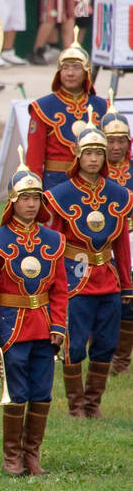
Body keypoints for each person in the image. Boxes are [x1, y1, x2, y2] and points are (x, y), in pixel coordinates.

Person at [0, 155, 68, 476]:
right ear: (12, 201)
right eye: (24, 198)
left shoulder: (54, 240)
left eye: (36, 198)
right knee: (16, 392)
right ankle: (12, 456)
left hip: (44, 327)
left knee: (42, 392)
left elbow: (59, 288)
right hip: (11, 327)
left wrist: (59, 323)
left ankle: (33, 455)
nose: (31, 205)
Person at [45, 116, 132, 418]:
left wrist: (126, 285)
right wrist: (52, 283)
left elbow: (120, 243)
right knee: (74, 343)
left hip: (107, 279)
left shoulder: (118, 194)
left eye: (99, 153)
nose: (94, 159)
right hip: (73, 279)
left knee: (106, 343)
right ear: (78, 156)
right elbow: (53, 242)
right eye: (88, 153)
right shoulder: (61, 195)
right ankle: (76, 406)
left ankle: (93, 404)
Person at [26, 39, 107, 190]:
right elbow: (34, 159)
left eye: (76, 67)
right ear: (59, 72)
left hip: (95, 184)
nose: (70, 73)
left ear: (86, 73)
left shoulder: (103, 107)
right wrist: (34, 192)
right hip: (55, 183)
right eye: (65, 68)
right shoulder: (42, 108)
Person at [100, 102, 133, 374]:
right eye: (111, 141)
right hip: (101, 243)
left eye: (122, 141)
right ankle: (102, 353)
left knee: (129, 298)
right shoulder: (92, 174)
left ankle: (121, 361)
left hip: (131, 239)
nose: (116, 147)